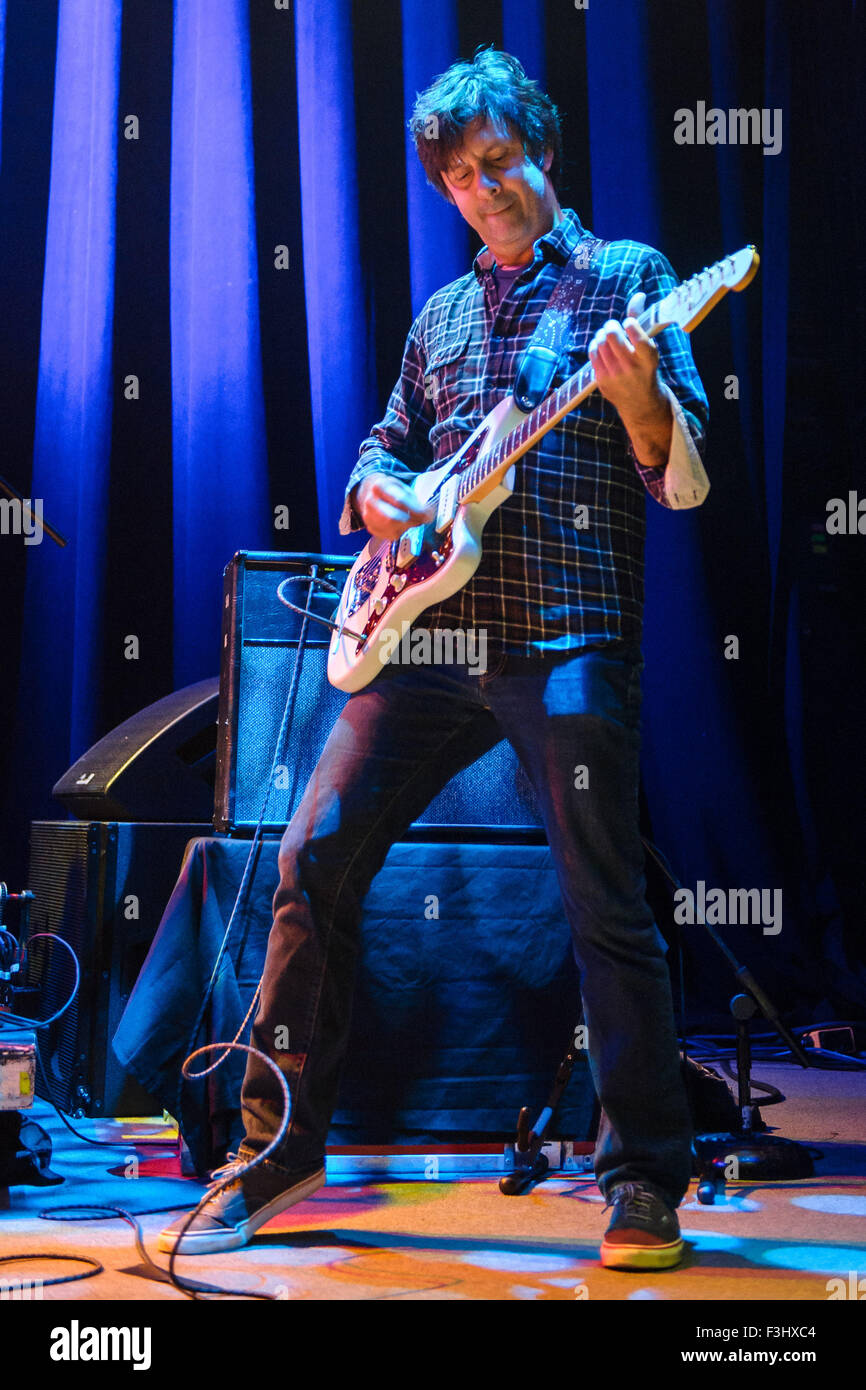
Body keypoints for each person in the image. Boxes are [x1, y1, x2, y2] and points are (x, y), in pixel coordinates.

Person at [160, 48, 710, 1272]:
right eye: (460, 177)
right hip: (425, 639)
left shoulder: (628, 279)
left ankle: (641, 1177)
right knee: (308, 855)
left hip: (564, 634)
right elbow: (383, 447)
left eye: (499, 161)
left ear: (543, 150)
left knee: (602, 898)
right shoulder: (442, 316)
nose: (483, 189)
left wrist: (635, 401)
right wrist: (375, 494)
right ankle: (278, 1144)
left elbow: (682, 479)